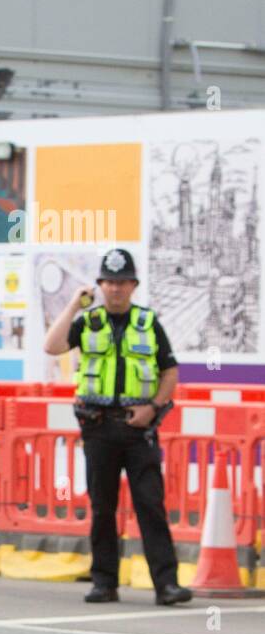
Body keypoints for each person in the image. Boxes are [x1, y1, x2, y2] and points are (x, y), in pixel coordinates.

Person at [43, 247, 191, 606]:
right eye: (109, 282)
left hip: (139, 429)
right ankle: (104, 582)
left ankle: (166, 585)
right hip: (98, 428)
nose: (115, 289)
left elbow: (169, 372)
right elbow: (52, 346)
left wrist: (153, 408)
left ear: (133, 285)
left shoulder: (148, 322)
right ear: (100, 285)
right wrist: (75, 305)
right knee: (102, 507)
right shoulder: (88, 321)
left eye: (122, 282)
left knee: (150, 506)